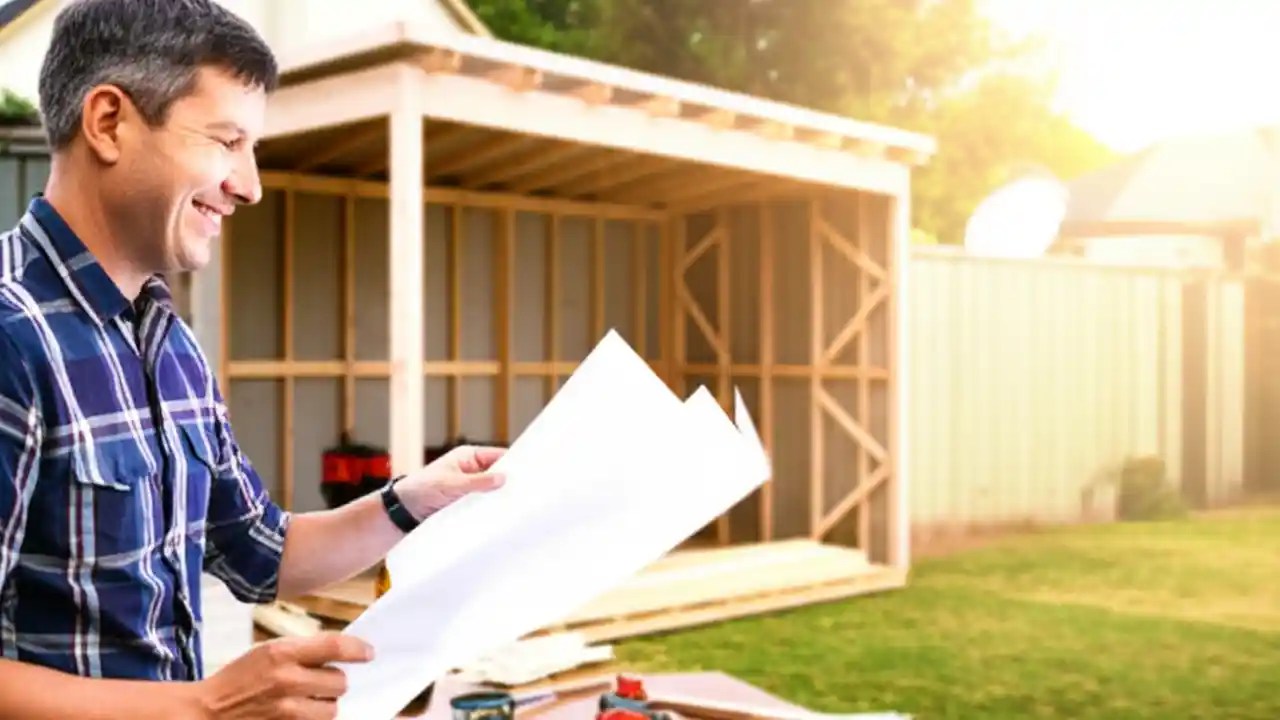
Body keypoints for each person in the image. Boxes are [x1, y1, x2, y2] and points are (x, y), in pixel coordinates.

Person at [0, 0, 506, 717]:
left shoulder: (168, 344)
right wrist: (208, 707)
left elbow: (263, 551)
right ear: (109, 122)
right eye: (226, 140)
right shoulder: (10, 337)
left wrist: (411, 500)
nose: (250, 184)